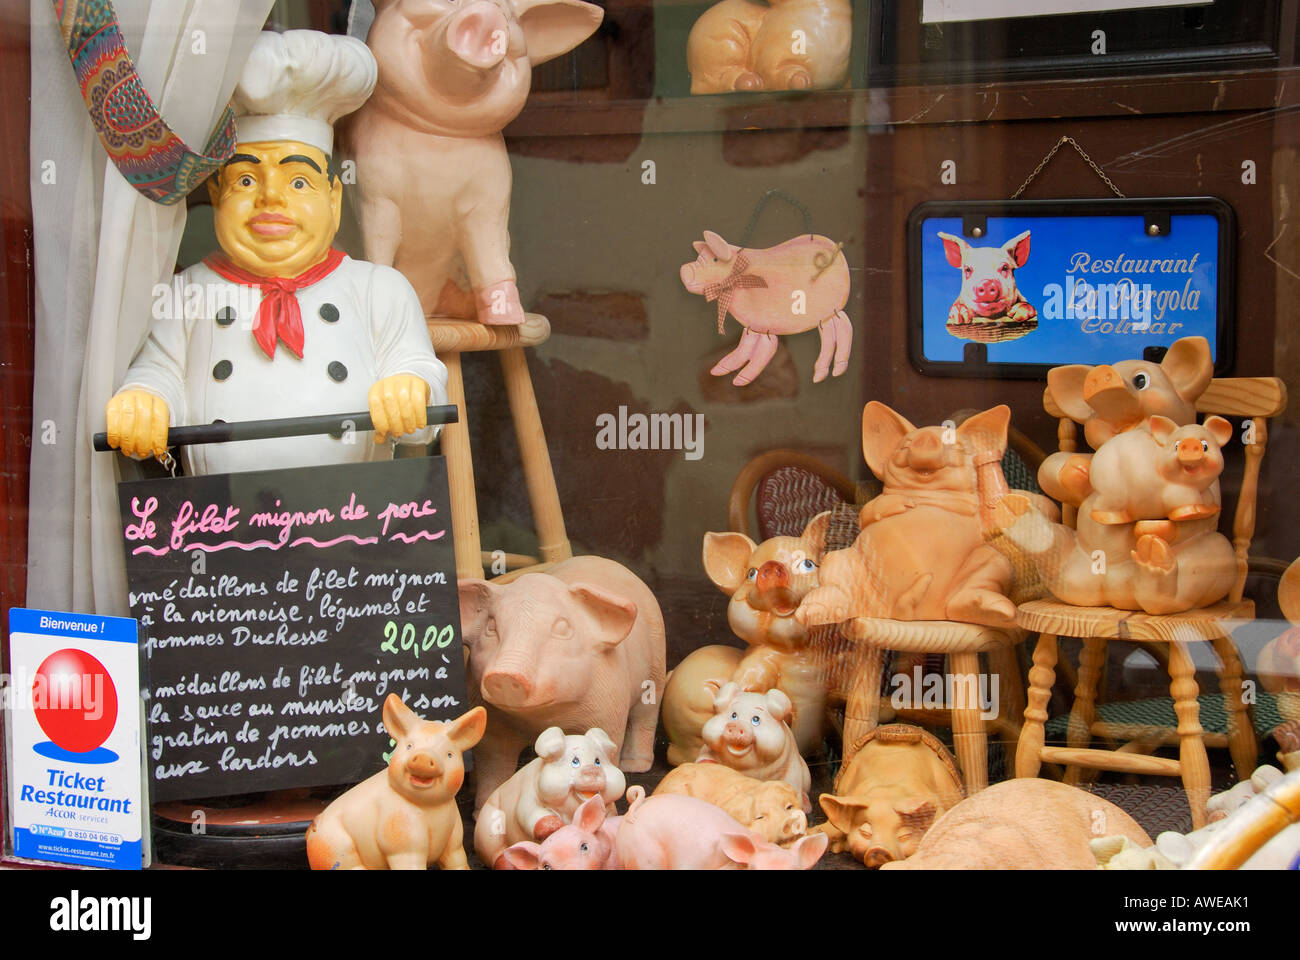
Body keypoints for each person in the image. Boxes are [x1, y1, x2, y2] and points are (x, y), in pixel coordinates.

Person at [105, 30, 448, 476]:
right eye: (245, 180)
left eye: (298, 182)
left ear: (333, 199)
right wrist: (143, 401)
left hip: (350, 519)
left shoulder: (378, 288)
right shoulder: (188, 292)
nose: (270, 199)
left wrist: (411, 389)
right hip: (221, 522)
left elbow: (421, 374)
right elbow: (160, 371)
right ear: (216, 194)